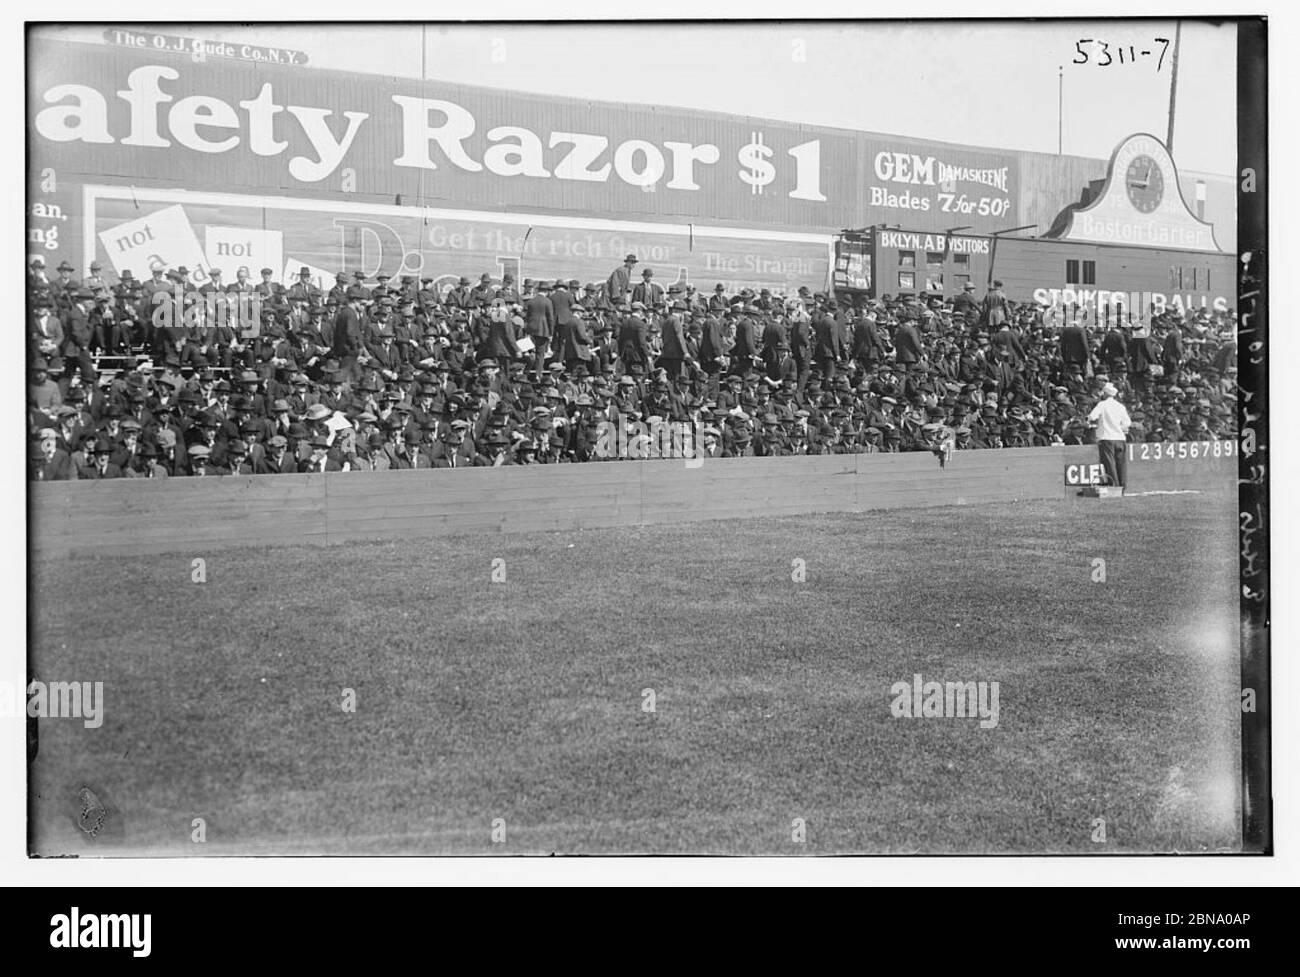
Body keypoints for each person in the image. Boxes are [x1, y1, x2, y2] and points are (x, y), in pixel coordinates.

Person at [1087, 381, 1132, 489]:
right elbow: (1127, 423)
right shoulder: (1120, 406)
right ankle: (1122, 487)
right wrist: (1119, 428)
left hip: (1107, 438)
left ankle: (1114, 487)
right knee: (1121, 464)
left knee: (1110, 464)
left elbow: (1092, 417)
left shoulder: (1102, 405)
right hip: (1120, 438)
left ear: (1105, 394)